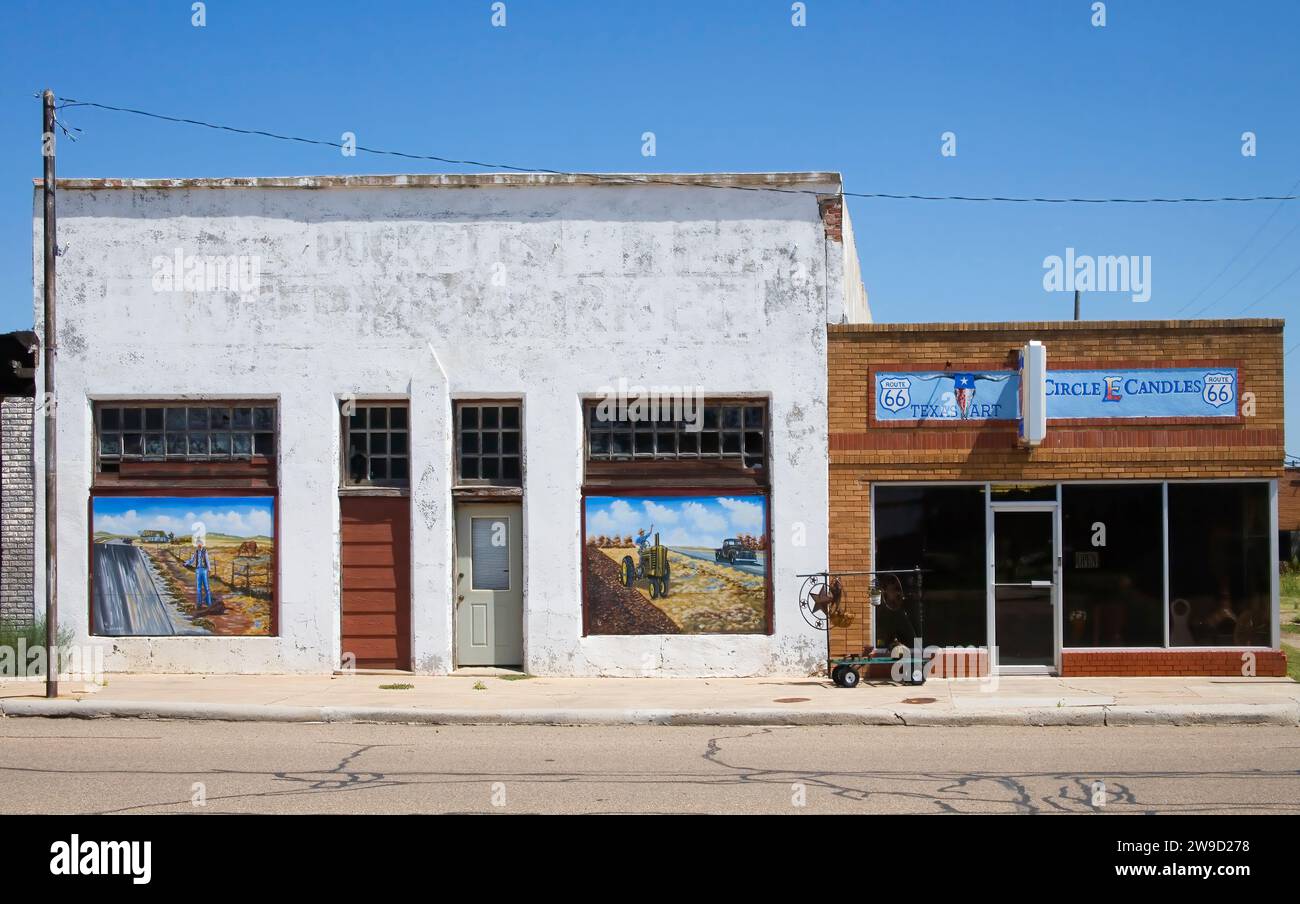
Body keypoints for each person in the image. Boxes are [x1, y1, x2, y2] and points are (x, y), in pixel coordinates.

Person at [185, 538, 215, 612]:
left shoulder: (205, 551)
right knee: (198, 588)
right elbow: (192, 560)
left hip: (204, 570)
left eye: (200, 544)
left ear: (202, 545)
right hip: (198, 570)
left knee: (206, 587)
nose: (199, 545)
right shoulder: (196, 552)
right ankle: (199, 604)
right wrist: (186, 563)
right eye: (198, 544)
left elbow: (207, 560)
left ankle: (209, 603)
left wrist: (209, 569)